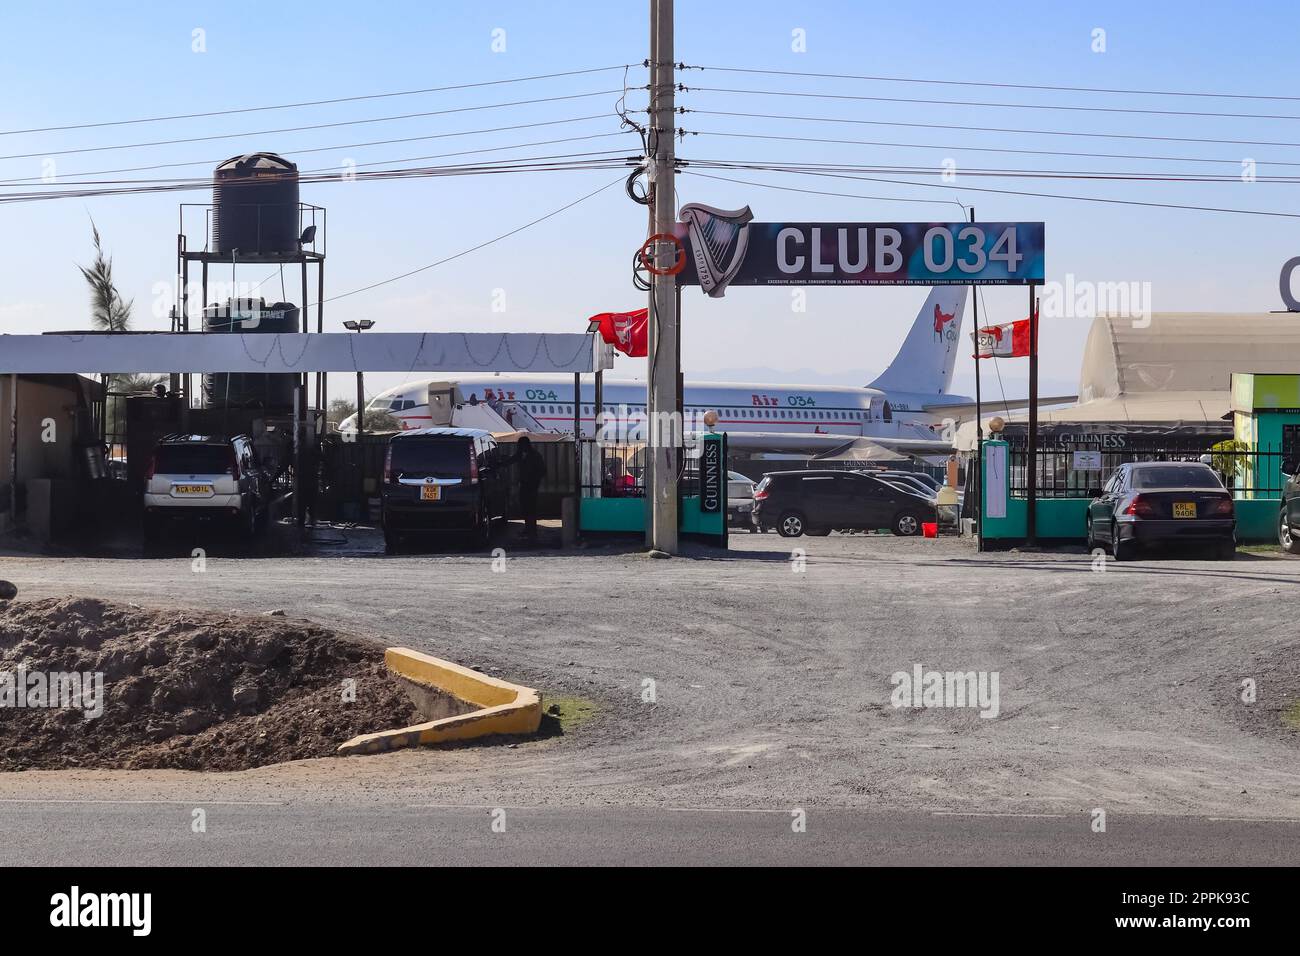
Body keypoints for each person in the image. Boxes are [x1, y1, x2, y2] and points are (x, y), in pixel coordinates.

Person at [506, 436, 546, 541]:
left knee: (530, 509)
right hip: (525, 485)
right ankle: (529, 529)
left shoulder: (535, 456)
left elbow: (542, 471)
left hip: (531, 486)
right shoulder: (522, 455)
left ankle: (532, 531)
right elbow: (510, 460)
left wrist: (534, 481)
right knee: (526, 508)